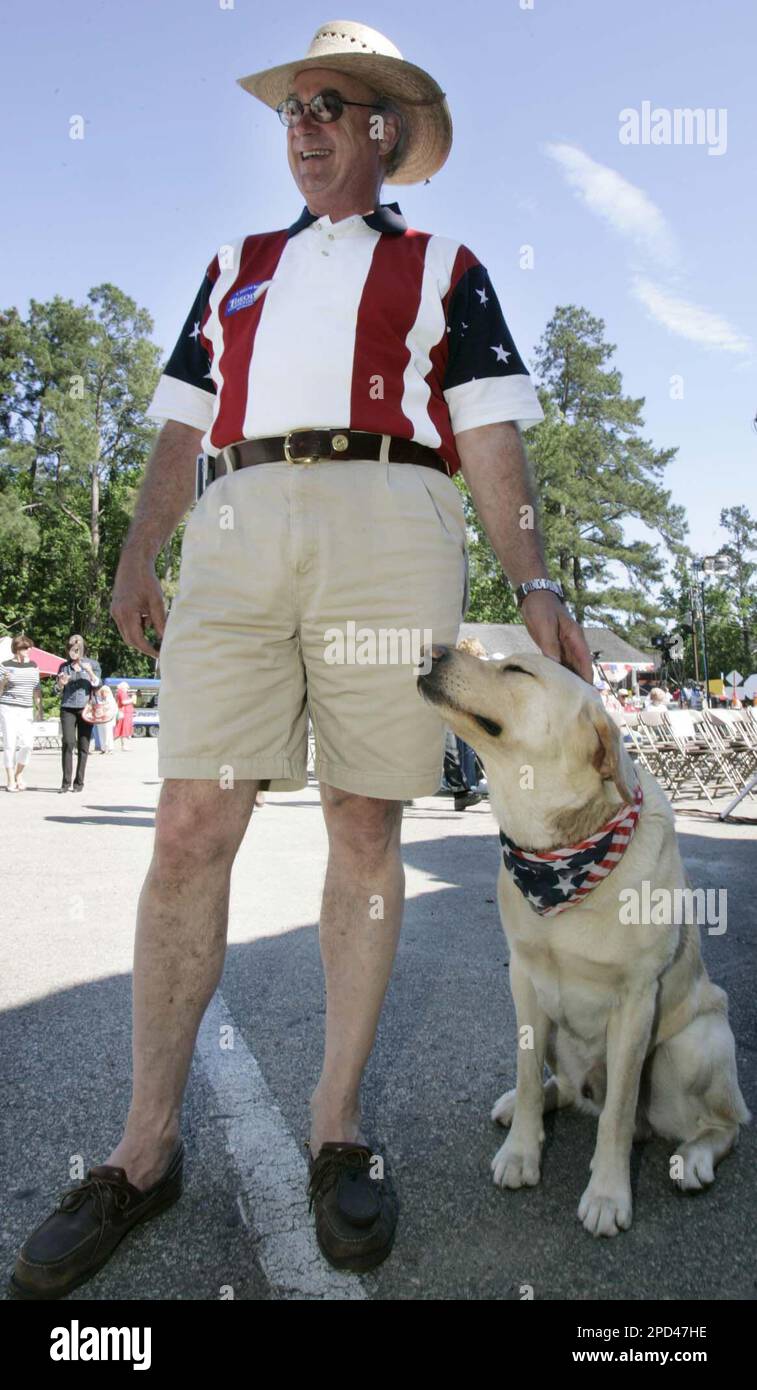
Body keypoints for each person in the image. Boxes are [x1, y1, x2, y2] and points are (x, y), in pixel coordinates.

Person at [10, 19, 592, 1299]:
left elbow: (490, 434)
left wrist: (536, 576)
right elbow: (177, 421)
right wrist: (138, 547)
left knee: (363, 824)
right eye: (292, 107)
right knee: (187, 824)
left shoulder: (446, 264)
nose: (306, 123)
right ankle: (142, 1148)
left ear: (382, 130)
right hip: (239, 517)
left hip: (395, 514)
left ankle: (337, 1128)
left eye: (332, 104)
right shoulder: (234, 264)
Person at [53, 634, 101, 792]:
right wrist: (61, 684)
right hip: (67, 707)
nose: (73, 652)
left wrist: (90, 672)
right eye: (71, 649)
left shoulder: (93, 664)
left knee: (83, 745)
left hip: (86, 708)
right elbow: (56, 690)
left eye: (77, 649)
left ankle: (79, 782)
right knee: (68, 742)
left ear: (82, 649)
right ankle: (65, 783)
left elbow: (98, 685)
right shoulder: (64, 666)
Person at [0, 634, 43, 792]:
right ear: (16, 649)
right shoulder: (5, 665)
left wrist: (39, 708)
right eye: (25, 647)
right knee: (10, 743)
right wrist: (3, 681)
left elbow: (37, 689)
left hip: (26, 708)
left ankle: (19, 773)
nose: (28, 650)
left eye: (29, 647)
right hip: (8, 707)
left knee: (27, 744)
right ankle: (11, 779)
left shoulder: (33, 666)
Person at [93, 681, 118, 753]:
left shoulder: (110, 698)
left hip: (108, 717)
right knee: (101, 732)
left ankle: (109, 748)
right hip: (100, 717)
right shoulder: (97, 697)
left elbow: (112, 707)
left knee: (108, 732)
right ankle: (103, 748)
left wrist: (102, 708)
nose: (103, 694)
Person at [114, 681, 136, 749]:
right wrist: (132, 700)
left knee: (120, 729)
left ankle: (110, 744)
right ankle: (124, 746)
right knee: (124, 729)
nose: (127, 689)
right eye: (127, 688)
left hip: (124, 713)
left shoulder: (119, 692)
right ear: (123, 687)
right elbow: (123, 702)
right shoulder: (122, 692)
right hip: (125, 713)